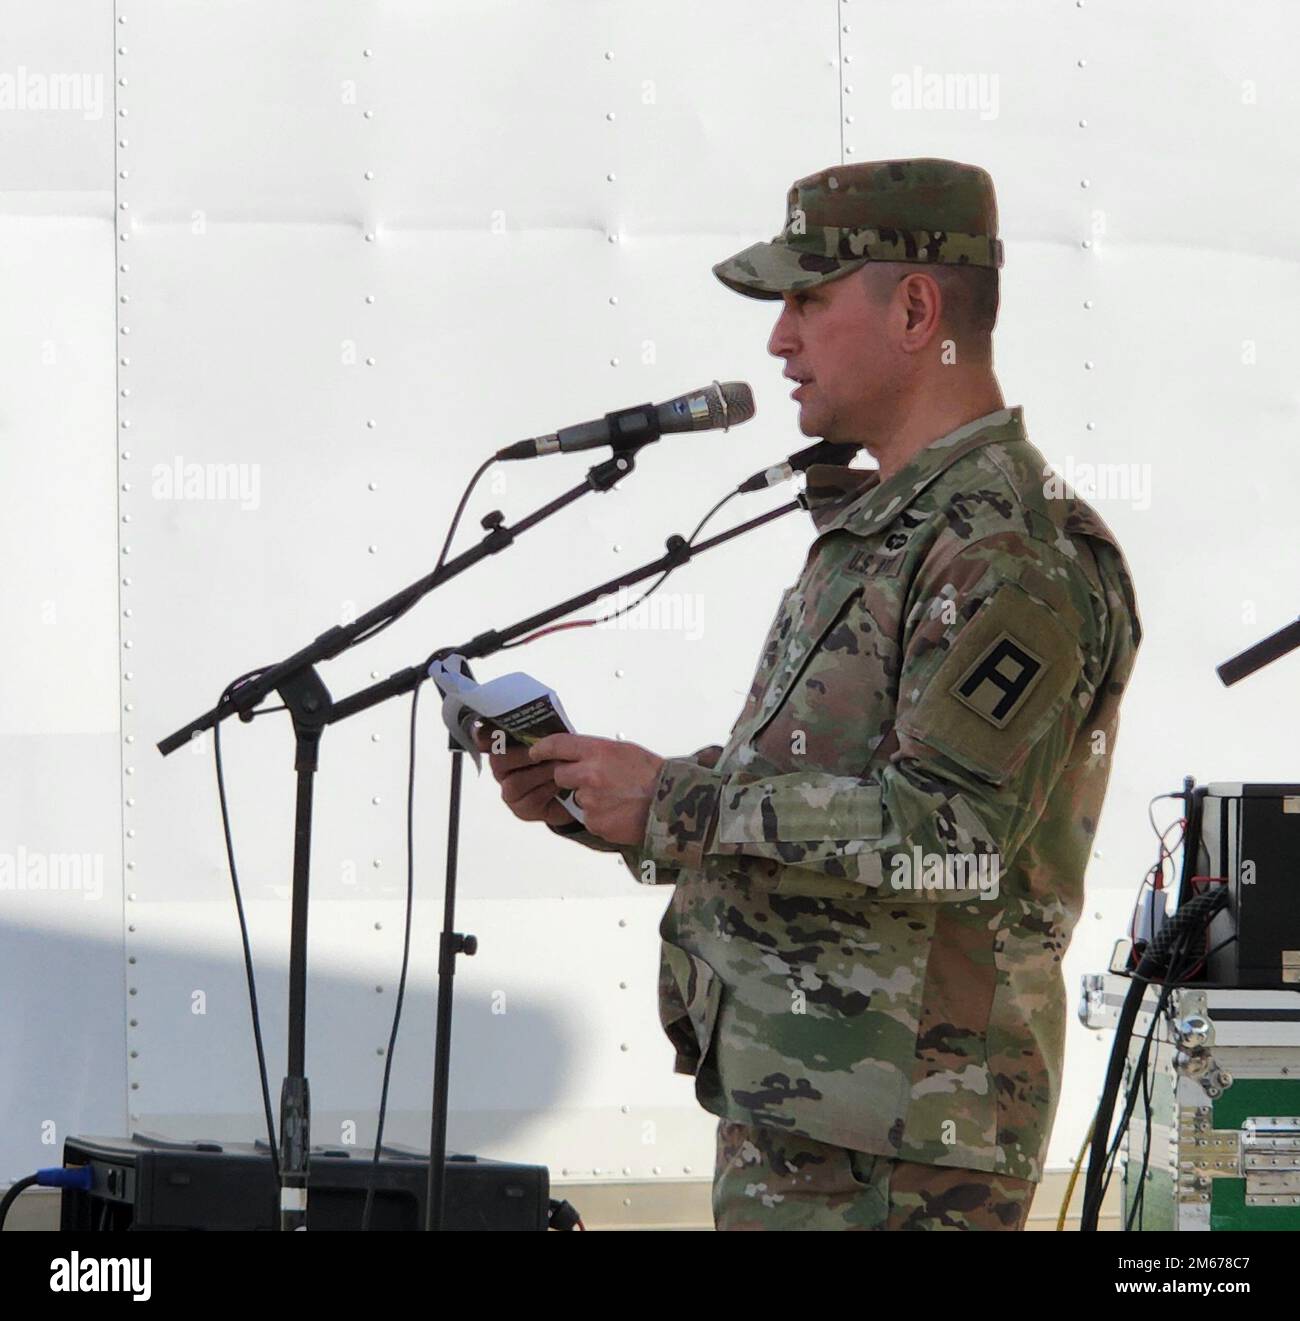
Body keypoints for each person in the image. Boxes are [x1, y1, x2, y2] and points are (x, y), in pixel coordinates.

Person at [481, 158, 1143, 1230]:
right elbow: (812, 795)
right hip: (816, 1122)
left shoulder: (1005, 548)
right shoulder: (888, 524)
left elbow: (951, 829)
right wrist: (611, 800)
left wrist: (679, 803)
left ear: (915, 308)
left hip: (903, 1156)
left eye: (807, 298)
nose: (777, 339)